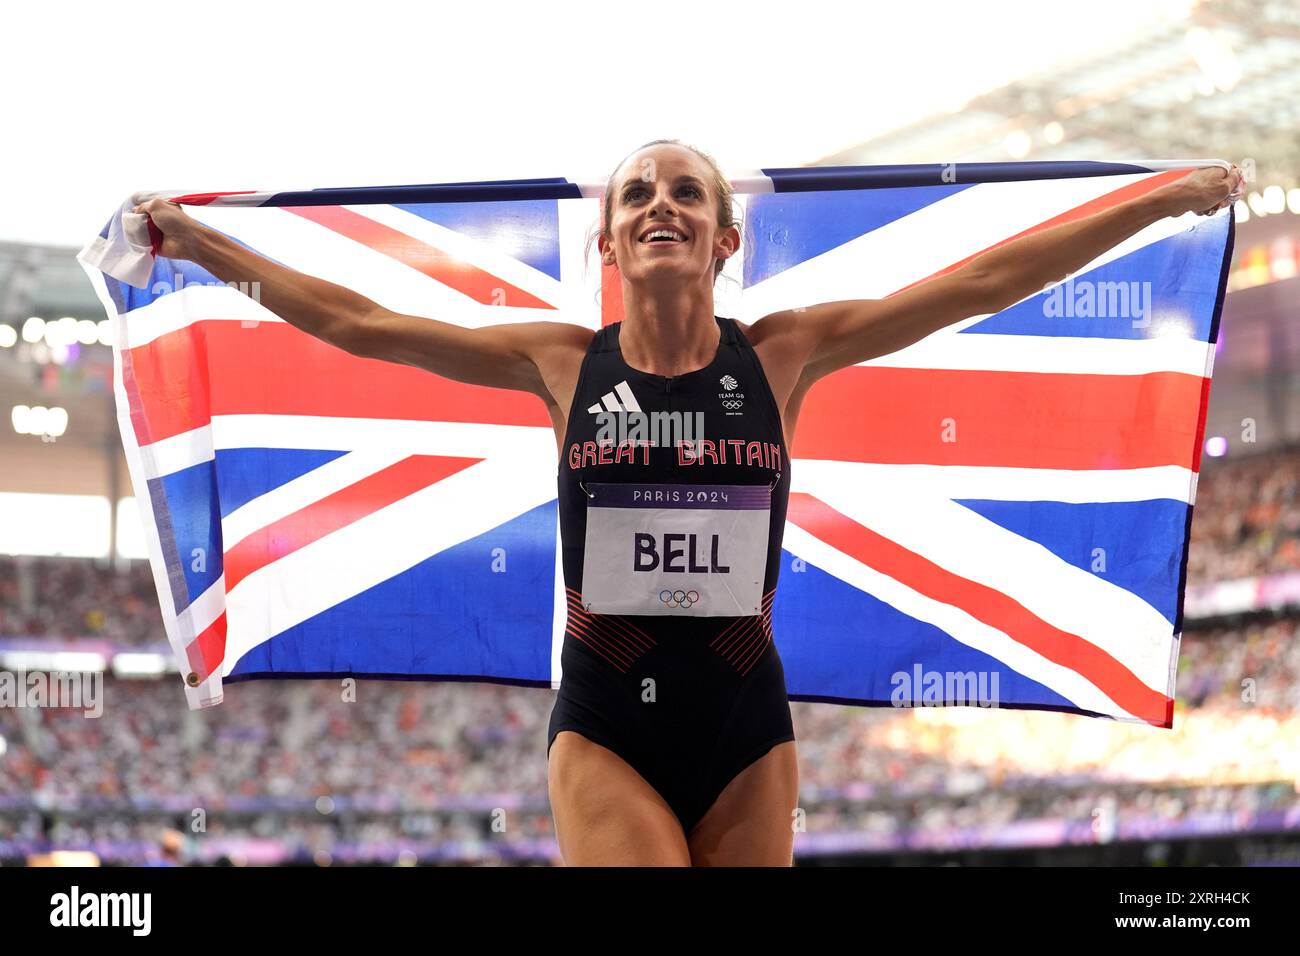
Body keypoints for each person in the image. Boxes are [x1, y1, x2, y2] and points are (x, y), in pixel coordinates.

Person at [134, 141, 1242, 866]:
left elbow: (977, 282)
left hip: (748, 727)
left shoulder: (787, 352)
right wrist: (200, 244)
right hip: (608, 724)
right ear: (608, 241)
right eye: (637, 194)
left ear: (723, 239)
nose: (660, 203)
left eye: (686, 193)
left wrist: (1161, 204)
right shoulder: (560, 361)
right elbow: (361, 323)